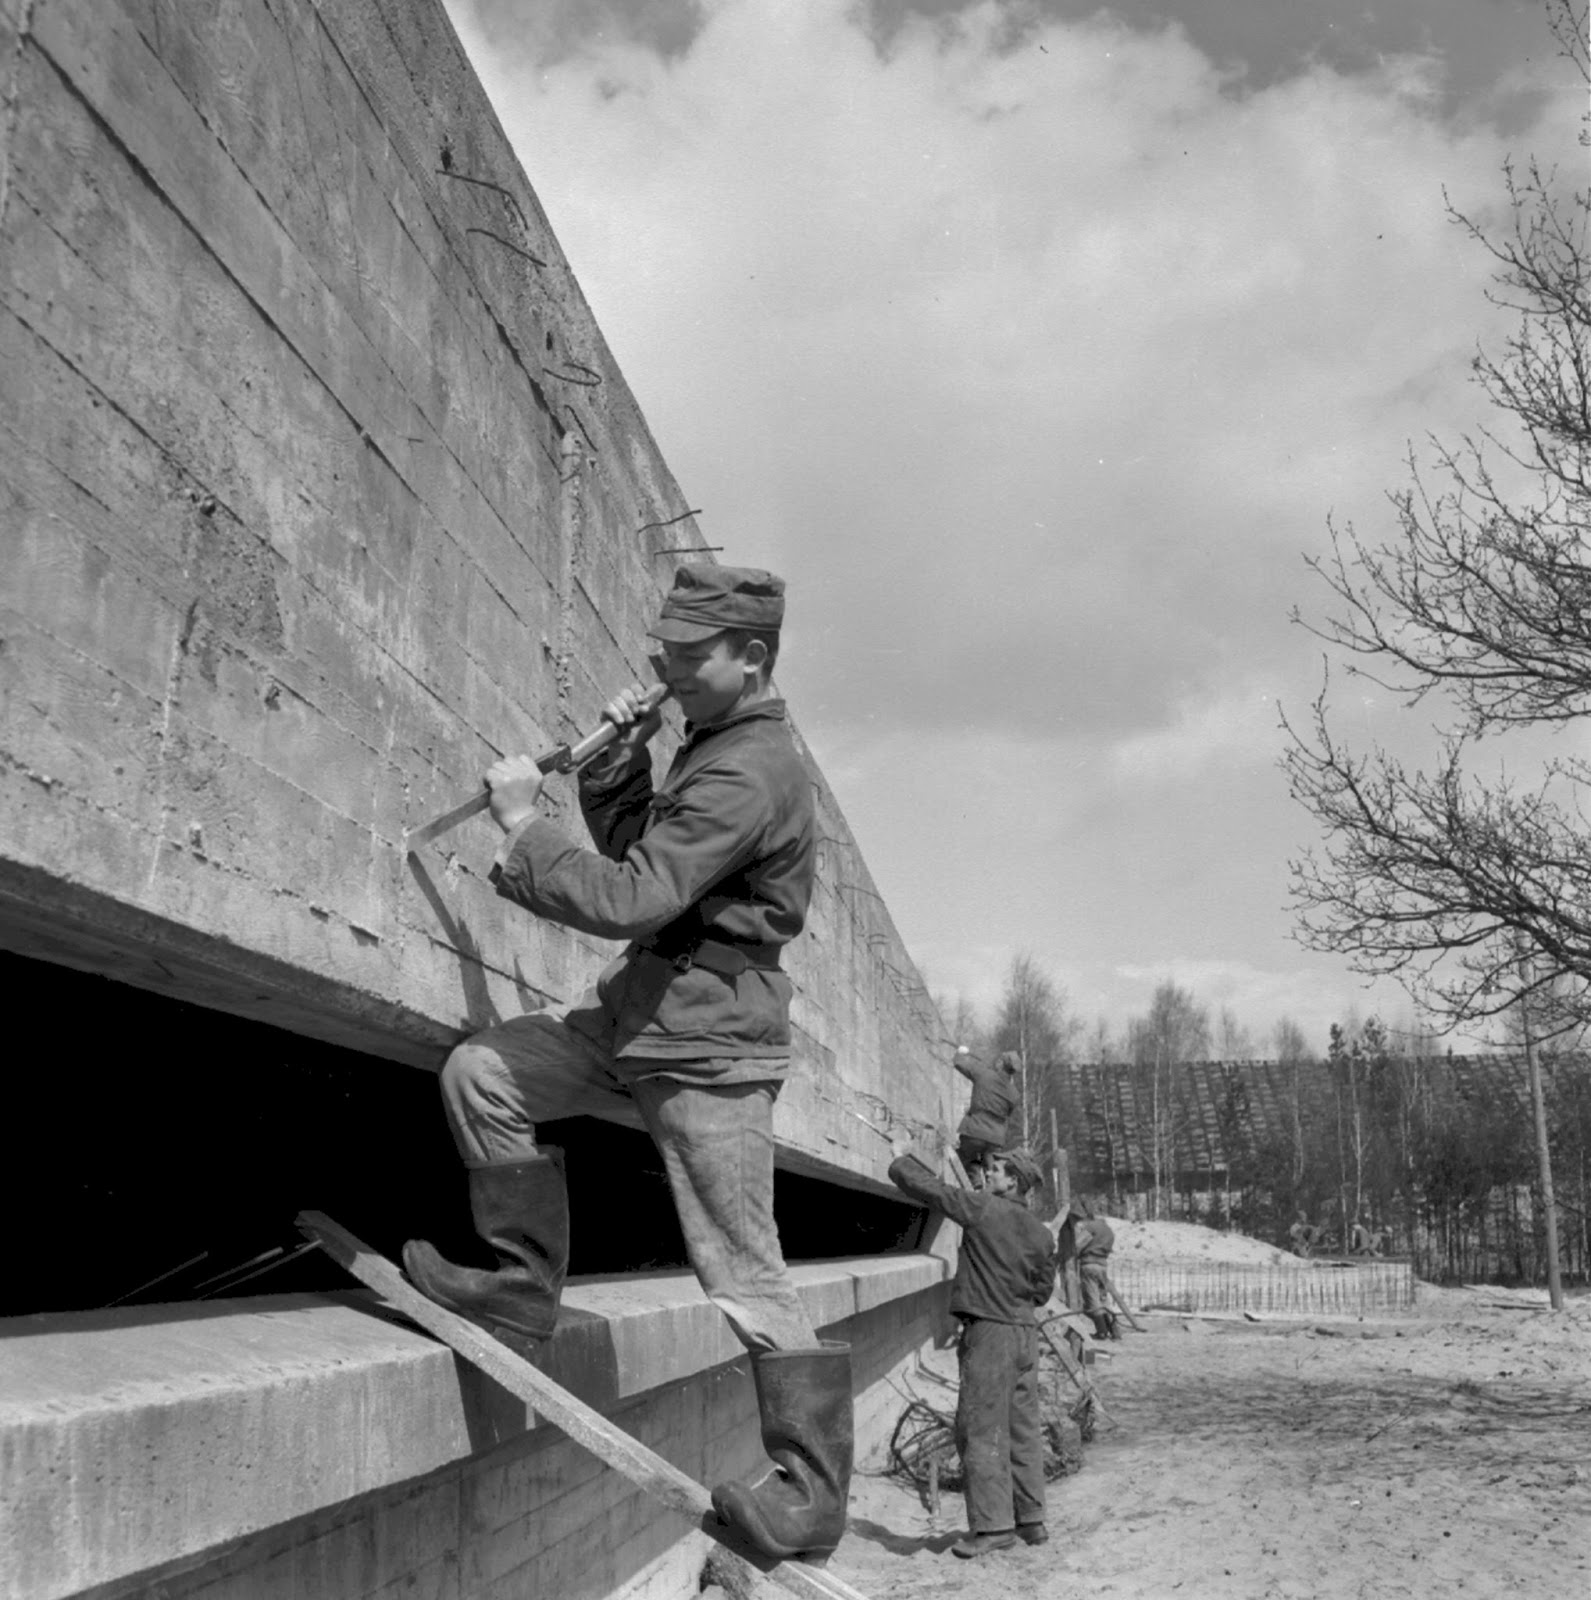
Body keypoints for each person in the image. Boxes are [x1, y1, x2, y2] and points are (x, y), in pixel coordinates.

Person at [402, 563, 851, 1564]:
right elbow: (660, 854)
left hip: (711, 1044)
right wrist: (616, 765)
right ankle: (522, 1287)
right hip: (643, 1010)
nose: (665, 668)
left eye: (689, 656)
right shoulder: (714, 738)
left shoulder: (753, 767)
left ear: (753, 657)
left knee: (740, 1271)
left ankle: (813, 1494)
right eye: (664, 651)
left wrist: (527, 824)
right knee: (484, 1073)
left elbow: (632, 895)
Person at [888, 1137, 1056, 1561]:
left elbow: (931, 1190)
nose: (988, 1176)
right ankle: (1030, 1520)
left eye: (996, 1171)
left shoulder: (982, 1209)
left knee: (979, 1429)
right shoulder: (1040, 1232)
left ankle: (993, 1526)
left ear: (1013, 1181)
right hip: (1024, 1336)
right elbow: (1043, 1291)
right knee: (1021, 1428)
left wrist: (899, 1159)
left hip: (990, 1335)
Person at [951, 1046, 1023, 1172]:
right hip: (995, 1141)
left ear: (1000, 1063)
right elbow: (1007, 1115)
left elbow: (958, 1063)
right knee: (991, 1172)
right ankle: (984, 1182)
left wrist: (961, 1052)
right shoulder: (1015, 1095)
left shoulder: (984, 1074)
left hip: (974, 1132)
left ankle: (974, 1179)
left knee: (963, 1161)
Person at [1071, 1198, 1117, 1341]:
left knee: (1092, 1299)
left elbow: (1078, 1245)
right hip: (1103, 1265)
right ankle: (1114, 1330)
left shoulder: (1090, 1227)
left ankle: (1101, 1332)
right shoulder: (1108, 1230)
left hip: (1089, 1265)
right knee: (1103, 1298)